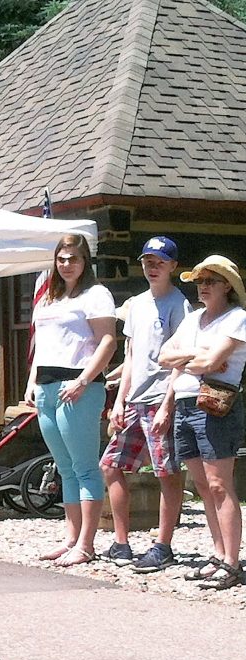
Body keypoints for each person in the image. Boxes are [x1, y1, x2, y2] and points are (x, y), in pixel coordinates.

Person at [99, 236, 191, 571]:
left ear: (172, 267)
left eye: (160, 262)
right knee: (110, 466)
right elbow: (132, 355)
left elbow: (182, 360)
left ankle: (163, 546)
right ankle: (121, 543)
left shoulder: (180, 307)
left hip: (160, 399)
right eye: (148, 262)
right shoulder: (136, 304)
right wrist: (120, 400)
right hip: (135, 399)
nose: (153, 268)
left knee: (167, 472)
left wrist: (169, 404)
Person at [25, 234, 117, 566]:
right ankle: (71, 538)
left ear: (85, 261)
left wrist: (83, 380)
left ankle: (86, 544)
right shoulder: (48, 297)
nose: (67, 265)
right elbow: (43, 345)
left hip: (77, 383)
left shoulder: (96, 294)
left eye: (73, 259)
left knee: (84, 466)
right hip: (47, 385)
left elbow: (108, 341)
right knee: (64, 467)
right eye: (62, 259)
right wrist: (31, 384)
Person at [158, 255, 246, 590]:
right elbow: (164, 356)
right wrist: (201, 357)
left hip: (215, 405)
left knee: (221, 485)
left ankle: (231, 562)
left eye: (210, 281)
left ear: (227, 285)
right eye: (200, 281)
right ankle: (218, 553)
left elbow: (212, 360)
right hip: (185, 403)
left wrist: (195, 357)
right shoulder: (194, 320)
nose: (203, 287)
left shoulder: (237, 318)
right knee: (203, 487)